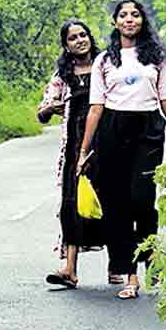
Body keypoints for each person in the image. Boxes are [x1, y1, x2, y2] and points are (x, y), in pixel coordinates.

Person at [78, 0, 166, 300]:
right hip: (113, 129)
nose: (129, 19)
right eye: (123, 15)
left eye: (135, 15)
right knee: (118, 205)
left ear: (142, 20)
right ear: (116, 22)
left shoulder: (156, 58)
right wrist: (83, 151)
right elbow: (95, 108)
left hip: (148, 130)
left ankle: (149, 252)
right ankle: (130, 276)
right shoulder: (104, 60)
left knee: (142, 198)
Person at [36, 20, 106, 289]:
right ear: (66, 45)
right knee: (72, 204)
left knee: (109, 202)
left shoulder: (105, 67)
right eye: (73, 37)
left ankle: (117, 266)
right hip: (75, 150)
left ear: (90, 37)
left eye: (83, 35)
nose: (80, 40)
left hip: (106, 146)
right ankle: (70, 268)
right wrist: (51, 107)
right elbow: (42, 111)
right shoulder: (62, 76)